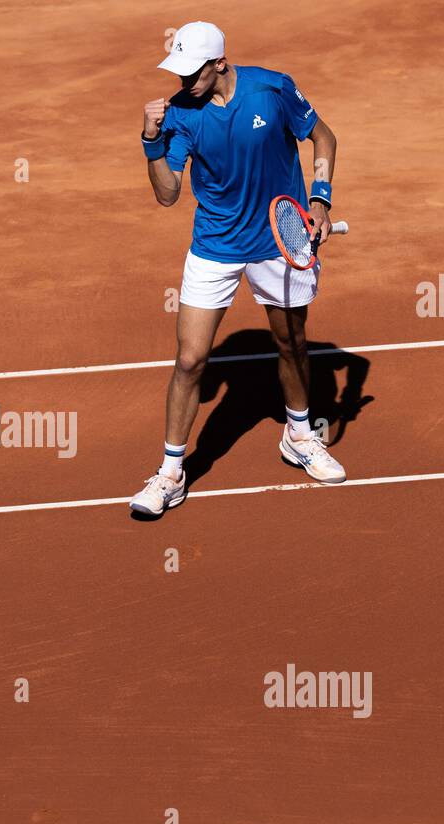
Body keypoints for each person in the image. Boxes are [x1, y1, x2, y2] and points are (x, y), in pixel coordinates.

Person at [130, 21, 346, 517]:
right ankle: (170, 472)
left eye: (194, 71)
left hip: (279, 241)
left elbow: (323, 137)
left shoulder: (272, 89)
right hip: (215, 245)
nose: (184, 81)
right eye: (179, 71)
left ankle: (299, 434)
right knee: (189, 361)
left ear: (220, 64)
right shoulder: (181, 114)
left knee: (291, 343)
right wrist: (150, 140)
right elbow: (167, 195)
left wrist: (320, 199)